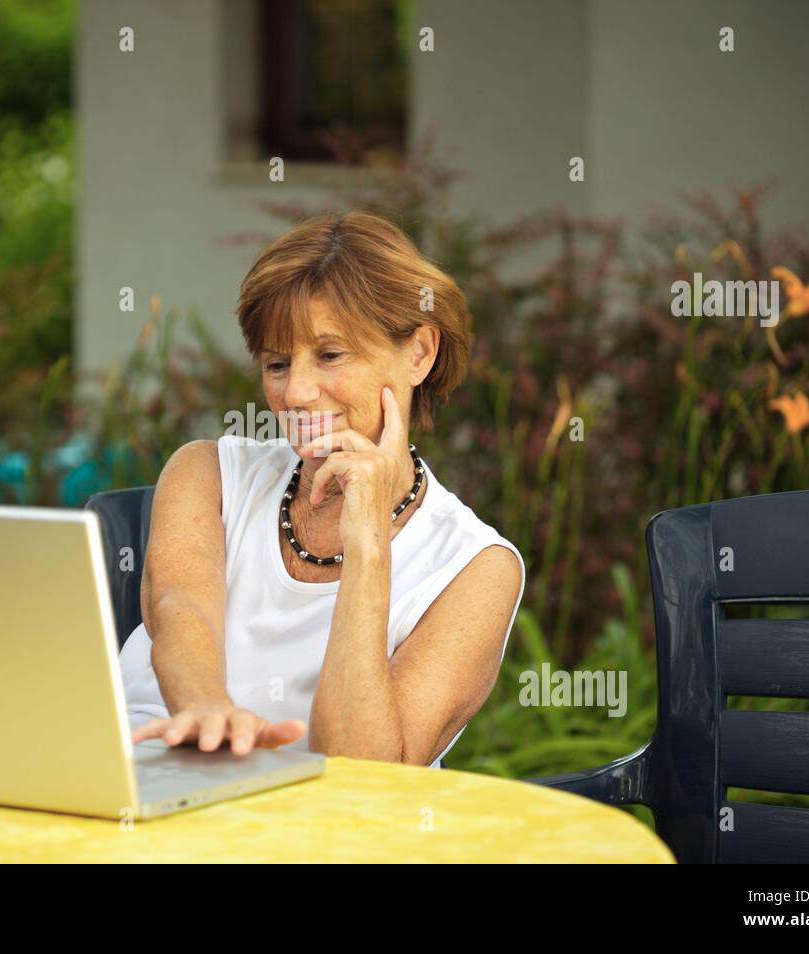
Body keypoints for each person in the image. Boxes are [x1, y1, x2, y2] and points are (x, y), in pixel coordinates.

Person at [118, 211, 525, 768]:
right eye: (278, 364)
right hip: (142, 789)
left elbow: (366, 773)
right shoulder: (206, 473)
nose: (297, 393)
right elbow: (180, 607)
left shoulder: (477, 568)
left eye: (330, 355)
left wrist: (369, 544)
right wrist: (210, 715)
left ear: (419, 354)